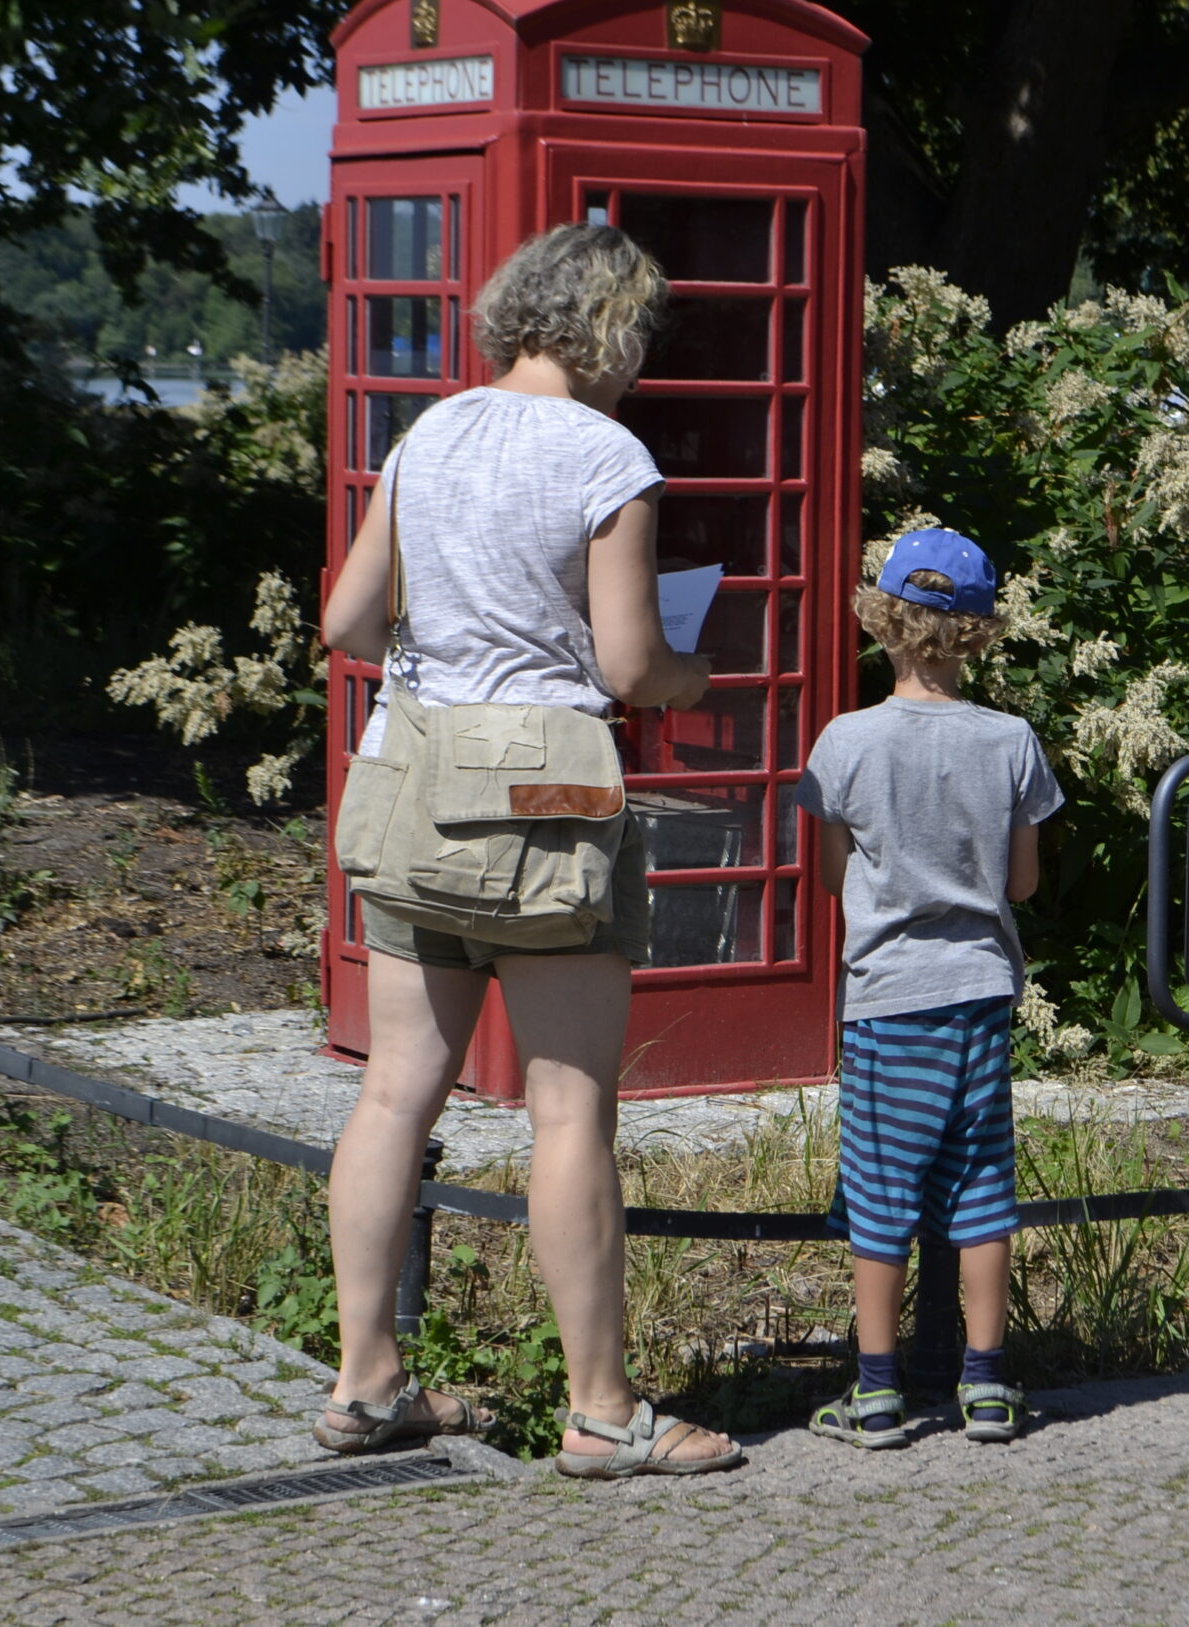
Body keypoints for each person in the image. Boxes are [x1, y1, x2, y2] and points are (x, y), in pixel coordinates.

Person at [316, 222, 741, 1478]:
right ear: (615, 331)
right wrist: (689, 669)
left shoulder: (430, 431)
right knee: (568, 1110)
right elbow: (624, 664)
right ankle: (604, 1413)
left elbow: (346, 620)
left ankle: (365, 1387)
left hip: (411, 783)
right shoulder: (608, 454)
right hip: (545, 808)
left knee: (395, 1090)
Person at [796, 528, 1063, 1448]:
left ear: (884, 623)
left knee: (883, 1192)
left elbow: (834, 874)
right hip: (983, 993)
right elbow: (1022, 884)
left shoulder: (846, 741)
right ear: (980, 632)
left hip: (889, 998)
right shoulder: (1012, 739)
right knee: (981, 1183)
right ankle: (985, 1388)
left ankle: (876, 1392)